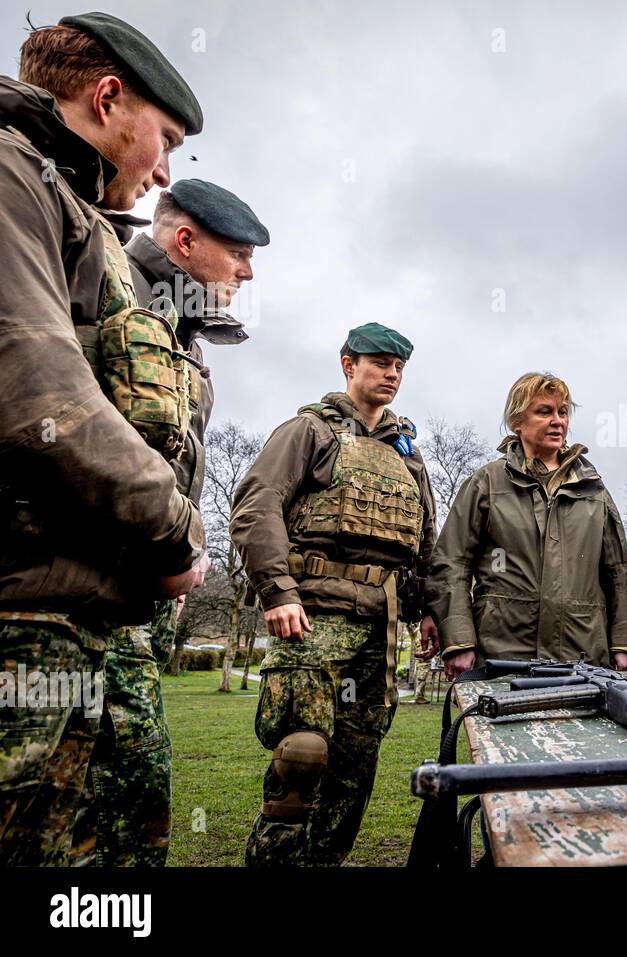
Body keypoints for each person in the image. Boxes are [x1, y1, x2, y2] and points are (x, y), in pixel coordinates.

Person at [0, 11, 208, 865]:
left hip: (71, 618)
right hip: (23, 621)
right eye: (164, 141)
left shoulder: (63, 198)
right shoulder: (13, 172)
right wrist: (175, 529)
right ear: (107, 95)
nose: (164, 174)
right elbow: (37, 391)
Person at [71, 180, 268, 867]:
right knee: (118, 796)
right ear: (185, 242)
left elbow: (170, 454)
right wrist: (166, 542)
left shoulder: (182, 330)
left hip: (145, 594)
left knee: (131, 796)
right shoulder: (109, 285)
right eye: (238, 254)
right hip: (87, 590)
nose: (247, 272)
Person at [230, 322, 440, 865]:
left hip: (381, 628)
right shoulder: (309, 432)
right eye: (379, 363)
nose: (391, 374)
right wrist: (277, 591)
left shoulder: (408, 454)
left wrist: (432, 614)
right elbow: (257, 505)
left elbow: (425, 545)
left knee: (353, 771)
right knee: (301, 759)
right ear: (349, 364)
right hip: (312, 619)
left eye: (399, 367)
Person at [433, 373, 627, 677]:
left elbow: (618, 572)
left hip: (582, 655)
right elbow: (451, 562)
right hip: (503, 654)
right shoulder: (487, 483)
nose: (557, 421)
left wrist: (623, 642)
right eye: (544, 412)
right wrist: (459, 639)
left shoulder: (593, 490)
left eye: (563, 412)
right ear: (518, 421)